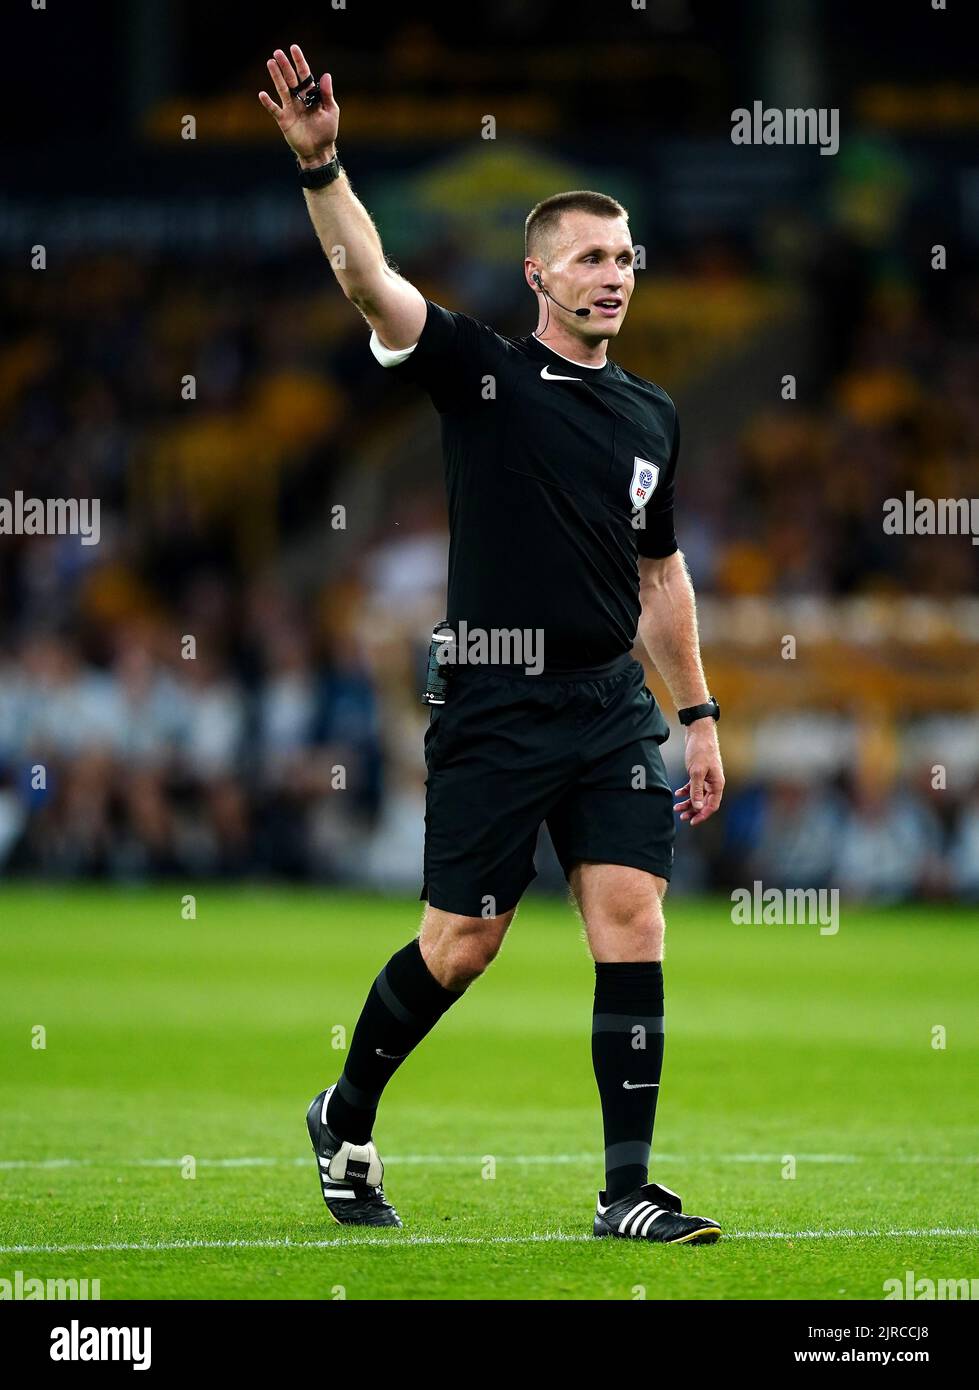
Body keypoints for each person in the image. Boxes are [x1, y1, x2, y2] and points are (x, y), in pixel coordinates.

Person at [260, 44, 725, 1244]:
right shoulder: (480, 373)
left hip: (608, 704)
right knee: (461, 944)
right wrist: (323, 168)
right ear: (538, 274)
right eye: (589, 257)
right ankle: (345, 1114)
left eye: (625, 258)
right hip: (494, 701)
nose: (613, 276)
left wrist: (699, 713)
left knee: (632, 918)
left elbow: (660, 573)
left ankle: (626, 1188)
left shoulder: (651, 412)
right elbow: (370, 284)